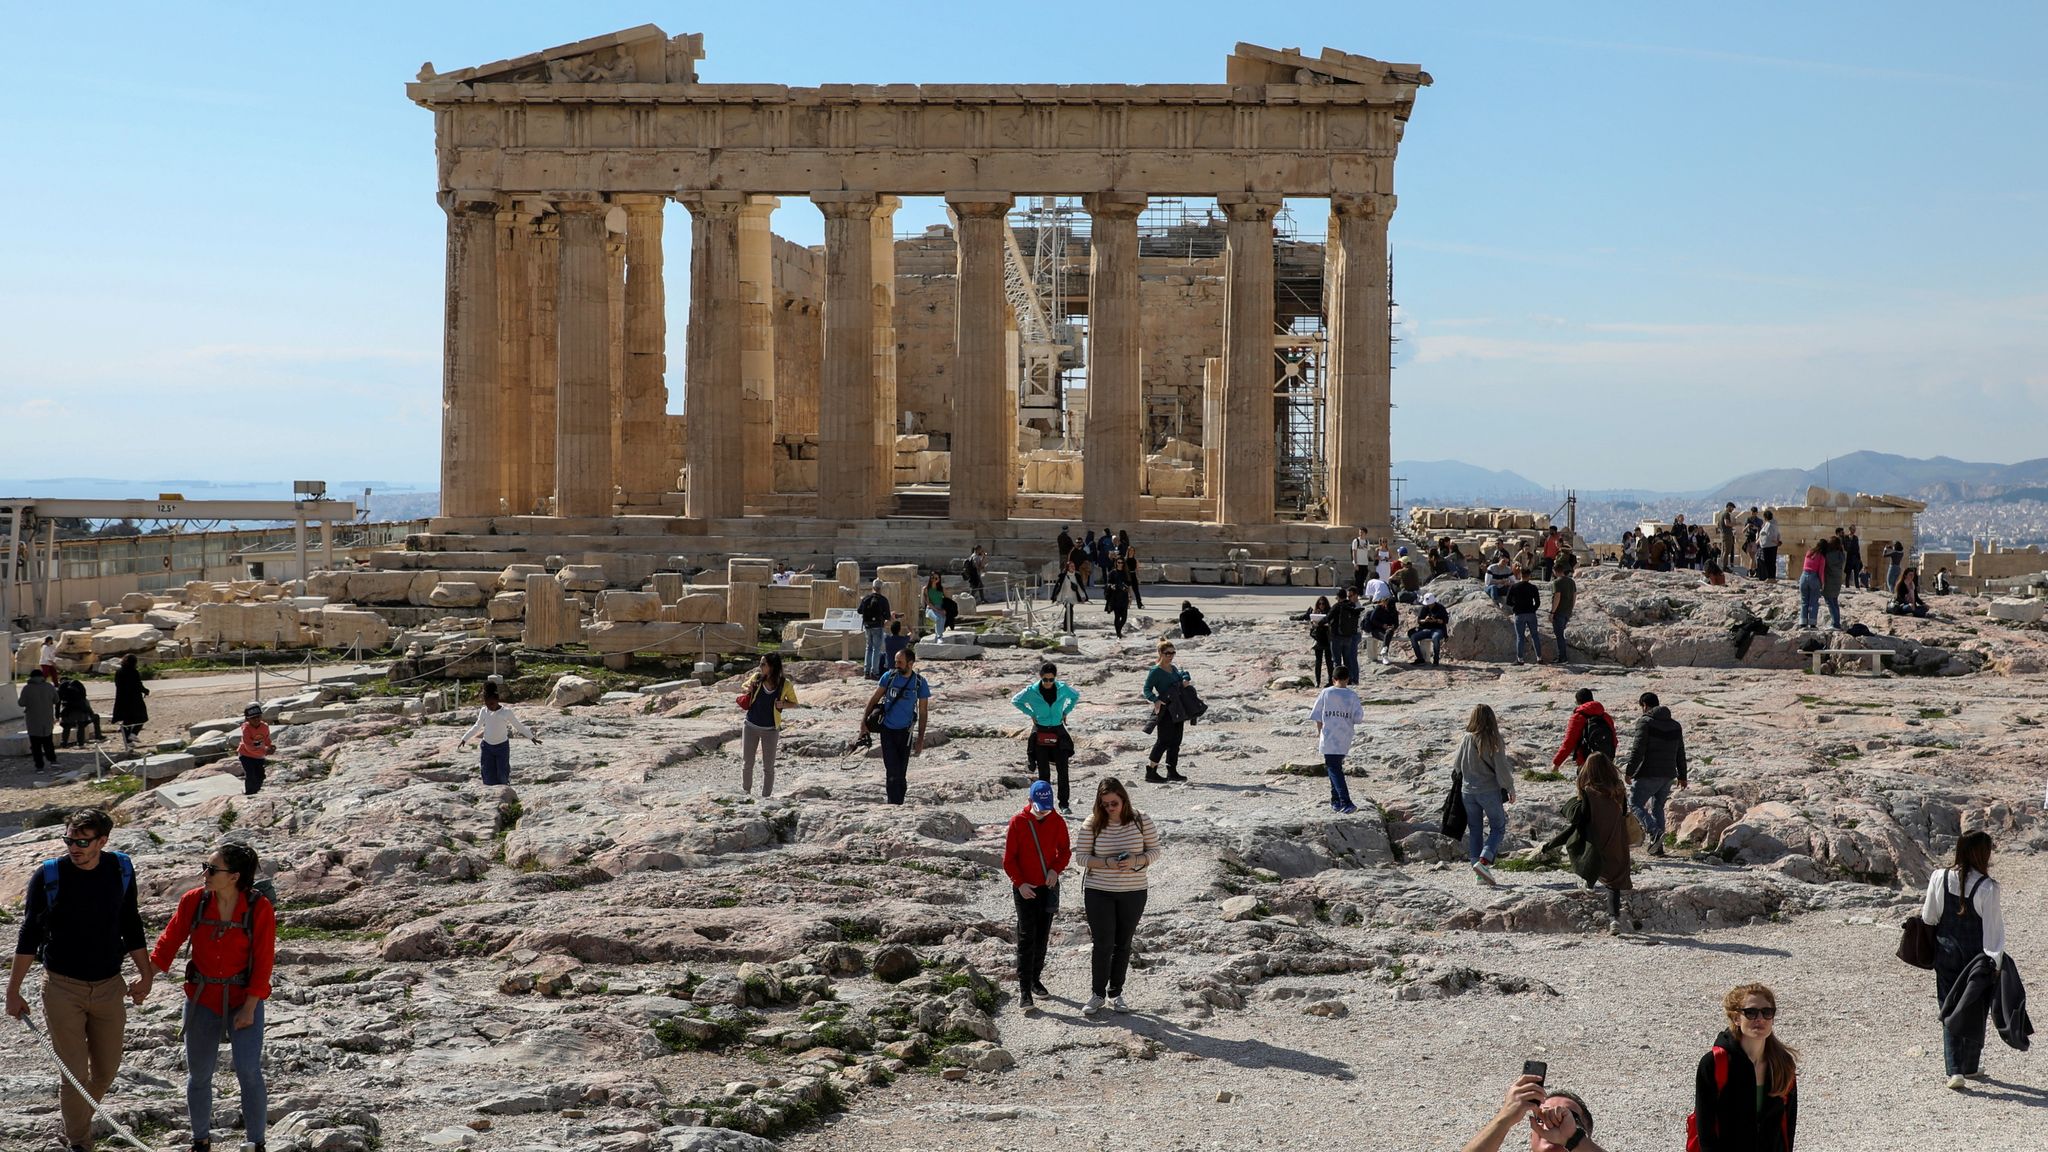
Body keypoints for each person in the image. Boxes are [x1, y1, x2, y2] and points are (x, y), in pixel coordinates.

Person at [6, 808, 153, 1152]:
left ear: (103, 841)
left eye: (83, 841)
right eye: (70, 839)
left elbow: (130, 922)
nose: (75, 847)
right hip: (61, 987)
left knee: (105, 1070)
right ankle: (80, 1143)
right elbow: (29, 935)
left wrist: (145, 973)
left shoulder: (120, 869)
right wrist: (12, 991)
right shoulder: (48, 875)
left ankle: (76, 1124)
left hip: (108, 985)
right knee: (74, 1074)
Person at [150, 841, 276, 1152]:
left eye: (211, 869)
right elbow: (170, 940)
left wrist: (249, 1007)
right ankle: (200, 1141)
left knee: (248, 1070)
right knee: (200, 1074)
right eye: (205, 867)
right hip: (201, 999)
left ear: (234, 876)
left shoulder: (259, 908)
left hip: (243, 1000)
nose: (204, 873)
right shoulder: (194, 901)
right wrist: (145, 979)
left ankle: (256, 1142)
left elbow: (263, 961)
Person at [1921, 831, 2006, 1088]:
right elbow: (1993, 933)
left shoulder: (1939, 876)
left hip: (1945, 951)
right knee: (1975, 1007)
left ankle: (1955, 1070)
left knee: (1948, 1006)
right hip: (1976, 956)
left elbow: (1929, 917)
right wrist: (1997, 965)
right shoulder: (1988, 888)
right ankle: (1969, 1065)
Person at [1076, 777, 1162, 1015]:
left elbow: (1155, 851)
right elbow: (1081, 857)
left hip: (1133, 891)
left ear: (1124, 799)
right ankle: (1097, 994)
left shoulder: (1141, 819)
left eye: (1114, 803)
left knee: (1123, 944)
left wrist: (1136, 860)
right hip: (1099, 891)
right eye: (1105, 804)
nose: (1110, 809)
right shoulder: (1092, 823)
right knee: (1102, 944)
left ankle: (1116, 993)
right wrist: (1107, 863)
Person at [1693, 983, 1799, 1151]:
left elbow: (1788, 1127)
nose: (1760, 1019)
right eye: (1750, 1012)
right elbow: (1705, 1129)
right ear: (1736, 1018)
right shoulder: (1715, 1063)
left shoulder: (1783, 1064)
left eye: (1767, 1012)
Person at [1542, 752, 1635, 933]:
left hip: (1595, 839)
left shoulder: (1588, 792)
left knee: (1586, 858)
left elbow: (1581, 818)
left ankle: (1588, 882)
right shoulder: (1619, 789)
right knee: (1614, 883)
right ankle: (1614, 920)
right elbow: (1623, 812)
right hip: (1617, 839)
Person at [1003, 781, 1070, 1012]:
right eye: (1039, 806)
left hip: (1046, 888)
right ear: (1030, 801)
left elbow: (1065, 852)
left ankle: (1035, 979)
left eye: (1046, 807)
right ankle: (1024, 991)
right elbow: (1009, 860)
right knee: (1026, 936)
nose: (1043, 811)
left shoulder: (1057, 821)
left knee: (1042, 937)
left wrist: (1055, 870)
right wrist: (1020, 884)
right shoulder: (1017, 822)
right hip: (1024, 889)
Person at [1459, 1074, 1606, 1152]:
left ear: (1587, 1136)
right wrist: (1505, 1117)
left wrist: (1572, 1139)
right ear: (1532, 1134)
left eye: (1569, 1117)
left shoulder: (1579, 1141)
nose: (1552, 1123)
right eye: (1542, 1116)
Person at [1455, 704, 1516, 885]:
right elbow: (1502, 768)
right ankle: (1483, 861)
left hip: (1467, 792)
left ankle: (1479, 873)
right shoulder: (1494, 739)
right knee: (1498, 827)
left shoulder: (1466, 738)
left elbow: (1457, 765)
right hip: (1488, 791)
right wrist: (1510, 787)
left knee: (1475, 830)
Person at [860, 647, 929, 805]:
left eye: (900, 662)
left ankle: (899, 803)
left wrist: (920, 739)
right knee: (892, 770)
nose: (896, 664)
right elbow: (874, 699)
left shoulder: (919, 682)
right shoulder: (888, 677)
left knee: (901, 771)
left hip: (906, 733)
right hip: (887, 730)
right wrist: (863, 722)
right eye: (895, 661)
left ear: (910, 663)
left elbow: (923, 712)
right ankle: (893, 803)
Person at [1623, 691, 1687, 857]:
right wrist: (1682, 775)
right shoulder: (1675, 725)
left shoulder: (1645, 722)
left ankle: (1654, 832)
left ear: (1644, 705)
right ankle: (1657, 847)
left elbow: (1638, 750)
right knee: (1657, 807)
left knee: (1635, 803)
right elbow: (1680, 751)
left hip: (1648, 773)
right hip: (1668, 774)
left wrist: (1629, 772)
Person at [1012, 661, 1078, 812]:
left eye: (1051, 679)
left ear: (1055, 678)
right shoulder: (1031, 691)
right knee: (1044, 773)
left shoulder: (1062, 688)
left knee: (1063, 770)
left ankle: (1064, 804)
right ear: (1040, 677)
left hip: (1058, 731)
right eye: (1045, 679)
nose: (1048, 683)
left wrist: (1066, 711)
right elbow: (1016, 701)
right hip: (1041, 732)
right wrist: (1031, 714)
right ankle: (1045, 805)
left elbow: (1075, 696)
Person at [455, 680, 540, 788]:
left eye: (492, 703)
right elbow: (477, 726)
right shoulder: (484, 711)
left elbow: (518, 725)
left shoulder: (506, 712)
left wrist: (532, 737)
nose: (490, 706)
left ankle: (505, 789)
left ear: (497, 700)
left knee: (502, 773)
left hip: (502, 747)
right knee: (487, 773)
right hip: (487, 746)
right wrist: (464, 738)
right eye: (487, 704)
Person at [737, 653, 798, 798]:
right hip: (750, 725)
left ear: (772, 667)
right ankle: (746, 794)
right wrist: (749, 689)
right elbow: (744, 687)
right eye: (760, 663)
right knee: (747, 763)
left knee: (768, 767)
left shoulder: (785, 684)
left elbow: (795, 703)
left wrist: (783, 704)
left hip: (771, 729)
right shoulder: (757, 678)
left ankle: (766, 797)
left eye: (763, 664)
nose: (760, 666)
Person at [1309, 666, 1363, 813]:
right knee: (1334, 766)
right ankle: (1336, 800)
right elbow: (1358, 718)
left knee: (1333, 768)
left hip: (1329, 736)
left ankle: (1346, 801)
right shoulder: (1352, 696)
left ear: (1333, 679)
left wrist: (1320, 733)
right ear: (1348, 679)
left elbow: (1317, 716)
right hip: (1344, 736)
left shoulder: (1326, 693)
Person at [1141, 640, 1191, 784]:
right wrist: (1155, 700)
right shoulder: (1155, 671)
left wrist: (1186, 679)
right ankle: (1151, 771)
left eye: (1173, 652)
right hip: (1165, 710)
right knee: (1163, 741)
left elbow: (1183, 674)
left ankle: (1172, 771)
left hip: (1178, 709)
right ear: (1160, 653)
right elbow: (1146, 689)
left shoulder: (1173, 668)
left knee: (1176, 741)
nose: (1171, 656)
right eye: (1168, 653)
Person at [1552, 687, 1615, 769]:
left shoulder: (1578, 717)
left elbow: (1569, 742)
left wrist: (1556, 763)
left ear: (1578, 702)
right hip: (1606, 761)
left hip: (1586, 762)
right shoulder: (1605, 716)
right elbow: (1614, 739)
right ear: (1592, 699)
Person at [20, 668, 58, 774]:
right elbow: (56, 699)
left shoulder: (27, 688)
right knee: (48, 742)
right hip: (47, 719)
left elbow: (21, 703)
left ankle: (39, 766)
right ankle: (53, 761)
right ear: (42, 677)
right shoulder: (49, 686)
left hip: (33, 720)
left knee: (35, 745)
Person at [1504, 566, 1544, 665]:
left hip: (1519, 614)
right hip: (1531, 613)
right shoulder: (1533, 587)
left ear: (1520, 575)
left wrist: (1516, 606)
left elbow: (1508, 602)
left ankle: (1520, 659)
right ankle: (1539, 658)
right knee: (1535, 636)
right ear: (1529, 576)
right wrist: (1533, 609)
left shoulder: (1514, 587)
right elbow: (1538, 602)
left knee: (1520, 637)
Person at [235, 703, 276, 797]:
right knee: (250, 774)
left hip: (259, 756)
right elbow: (249, 746)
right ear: (247, 719)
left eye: (258, 716)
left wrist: (270, 747)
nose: (257, 719)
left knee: (260, 775)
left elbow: (266, 739)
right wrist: (265, 750)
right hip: (246, 755)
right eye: (253, 718)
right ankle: (249, 793)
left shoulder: (264, 726)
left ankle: (256, 791)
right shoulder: (246, 729)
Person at [111, 653, 149, 751]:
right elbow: (137, 684)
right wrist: (145, 691)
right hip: (134, 699)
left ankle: (128, 742)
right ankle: (133, 734)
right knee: (142, 717)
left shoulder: (119, 672)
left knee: (127, 720)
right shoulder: (133, 672)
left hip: (122, 699)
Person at [857, 579, 892, 680]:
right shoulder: (883, 600)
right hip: (878, 626)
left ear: (872, 587)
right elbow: (888, 615)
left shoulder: (866, 598)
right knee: (876, 649)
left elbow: (859, 611)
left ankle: (866, 671)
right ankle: (874, 672)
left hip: (867, 626)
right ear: (881, 588)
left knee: (868, 648)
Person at [56, 674, 101, 748]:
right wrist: (90, 714)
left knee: (66, 726)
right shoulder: (78, 685)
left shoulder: (61, 688)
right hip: (80, 709)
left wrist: (57, 715)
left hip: (67, 710)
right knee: (81, 725)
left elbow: (58, 703)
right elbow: (85, 701)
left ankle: (64, 743)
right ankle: (80, 744)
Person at [1327, 587, 1362, 680]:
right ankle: (1350, 679)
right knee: (1348, 660)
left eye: (1350, 596)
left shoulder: (1341, 606)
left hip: (1344, 636)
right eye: (1348, 596)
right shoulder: (1352, 605)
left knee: (1340, 660)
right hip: (1349, 635)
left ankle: (1339, 679)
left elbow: (1328, 617)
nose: (1349, 598)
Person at [1409, 593, 1450, 665]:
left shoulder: (1441, 608)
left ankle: (1436, 660)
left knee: (1435, 637)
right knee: (1413, 637)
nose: (1428, 605)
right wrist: (1425, 620)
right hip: (1426, 629)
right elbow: (1419, 620)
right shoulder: (1425, 608)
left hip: (1438, 629)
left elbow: (1446, 620)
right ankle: (1420, 658)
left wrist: (1437, 620)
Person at [1550, 555, 1576, 664]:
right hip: (1567, 612)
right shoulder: (1571, 581)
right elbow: (1574, 596)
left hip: (1559, 612)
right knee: (1561, 634)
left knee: (1559, 635)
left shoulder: (1557, 582)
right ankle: (1562, 656)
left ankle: (1562, 657)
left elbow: (1557, 597)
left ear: (1555, 571)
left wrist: (1552, 612)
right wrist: (1571, 608)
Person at [1362, 595, 1399, 667]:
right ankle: (1385, 656)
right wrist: (1382, 625)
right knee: (1387, 637)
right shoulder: (1379, 608)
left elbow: (1396, 623)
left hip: (1388, 630)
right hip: (1376, 629)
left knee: (1389, 633)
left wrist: (1393, 627)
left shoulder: (1393, 611)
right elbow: (1372, 619)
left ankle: (1384, 653)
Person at [1796, 543, 1825, 629]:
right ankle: (1812, 623)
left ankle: (1803, 622)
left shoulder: (1808, 553)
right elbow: (1821, 572)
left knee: (1804, 601)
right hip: (1814, 577)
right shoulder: (1821, 557)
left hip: (1803, 577)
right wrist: (1822, 583)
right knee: (1813, 602)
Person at [1308, 595, 1335, 686]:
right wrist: (1314, 623)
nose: (1321, 605)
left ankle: (1330, 680)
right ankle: (1317, 681)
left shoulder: (1329, 613)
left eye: (1323, 603)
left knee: (1329, 661)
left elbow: (1331, 623)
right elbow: (1312, 627)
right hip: (1319, 638)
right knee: (1318, 661)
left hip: (1327, 638)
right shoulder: (1316, 612)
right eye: (1320, 604)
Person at [1051, 559, 1083, 633]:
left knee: (1068, 611)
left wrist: (1083, 596)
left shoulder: (1077, 576)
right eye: (1071, 566)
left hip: (1073, 597)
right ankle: (1070, 628)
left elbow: (1080, 587)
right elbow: (1060, 588)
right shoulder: (1063, 577)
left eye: (1073, 566)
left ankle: (1066, 627)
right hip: (1065, 597)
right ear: (1068, 567)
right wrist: (1058, 599)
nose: (1073, 568)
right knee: (1070, 610)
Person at [1820, 536, 1845, 630]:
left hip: (1829, 580)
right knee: (1834, 601)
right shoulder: (1841, 554)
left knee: (1830, 602)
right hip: (1837, 580)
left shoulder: (1828, 556)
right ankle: (1836, 622)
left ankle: (1835, 624)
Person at [1103, 568, 1131, 638]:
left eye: (1121, 563)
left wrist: (1130, 596)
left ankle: (1119, 630)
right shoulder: (1112, 572)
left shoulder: (1126, 572)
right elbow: (1108, 583)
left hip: (1124, 597)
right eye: (1118, 562)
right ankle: (1118, 634)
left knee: (1124, 618)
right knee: (1117, 617)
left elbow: (1129, 585)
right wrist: (1111, 586)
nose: (1120, 564)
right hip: (1115, 597)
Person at [1756, 509, 1781, 581]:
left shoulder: (1769, 525)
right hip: (1771, 545)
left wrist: (1776, 542)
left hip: (1768, 546)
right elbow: (1777, 534)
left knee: (1768, 562)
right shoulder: (1774, 524)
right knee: (1772, 562)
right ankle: (1772, 577)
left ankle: (1770, 577)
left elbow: (1770, 536)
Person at [923, 573, 949, 641]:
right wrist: (938, 610)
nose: (934, 580)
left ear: (939, 580)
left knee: (943, 618)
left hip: (940, 607)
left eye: (936, 578)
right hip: (931, 608)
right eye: (932, 578)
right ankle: (939, 637)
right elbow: (928, 603)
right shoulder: (926, 589)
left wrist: (945, 609)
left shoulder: (942, 589)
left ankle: (938, 634)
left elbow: (947, 600)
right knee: (938, 618)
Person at [1349, 528, 1373, 593]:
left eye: (1362, 532)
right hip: (1358, 562)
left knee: (1363, 579)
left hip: (1365, 563)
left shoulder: (1367, 541)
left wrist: (1368, 562)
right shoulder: (1356, 541)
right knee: (1358, 579)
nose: (1360, 533)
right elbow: (1354, 552)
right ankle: (1357, 593)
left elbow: (1367, 552)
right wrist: (1355, 563)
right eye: (1360, 532)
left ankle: (1361, 592)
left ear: (1365, 533)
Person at [1716, 502, 1738, 571]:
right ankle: (1724, 566)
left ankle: (1723, 565)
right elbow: (1727, 523)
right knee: (1727, 550)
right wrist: (1735, 524)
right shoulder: (1726, 514)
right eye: (1732, 508)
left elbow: (1718, 524)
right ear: (1728, 507)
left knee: (1723, 550)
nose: (1732, 509)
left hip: (1722, 534)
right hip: (1727, 534)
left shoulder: (1720, 514)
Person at [1844, 524, 1866, 589]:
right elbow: (1846, 547)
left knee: (1856, 573)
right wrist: (1850, 541)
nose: (1854, 530)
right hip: (1850, 557)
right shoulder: (1846, 537)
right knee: (1848, 572)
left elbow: (1857, 548)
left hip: (1856, 557)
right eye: (1853, 529)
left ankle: (1857, 586)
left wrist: (1859, 558)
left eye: (1854, 529)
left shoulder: (1856, 537)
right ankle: (1847, 585)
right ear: (1850, 529)